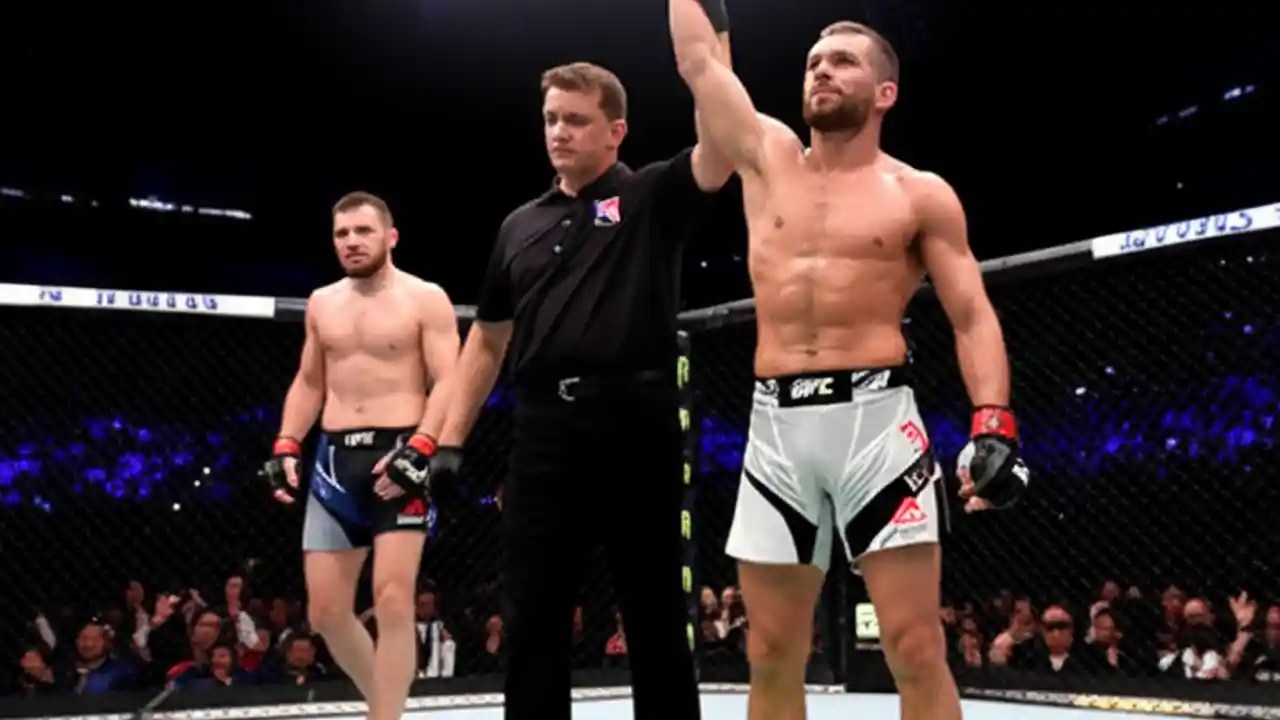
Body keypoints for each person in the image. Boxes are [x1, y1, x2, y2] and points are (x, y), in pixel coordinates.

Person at [668, 4, 1032, 720]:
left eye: (842, 61)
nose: (822, 71)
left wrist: (993, 421)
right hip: (775, 427)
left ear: (885, 92)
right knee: (770, 653)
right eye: (813, 62)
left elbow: (971, 315)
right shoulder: (765, 156)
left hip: (876, 424)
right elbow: (700, 63)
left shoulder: (920, 193)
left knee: (915, 646)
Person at [436, 57, 735, 719]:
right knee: (532, 612)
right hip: (543, 429)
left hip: (638, 420)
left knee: (654, 608)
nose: (559, 132)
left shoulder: (651, 197)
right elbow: (487, 338)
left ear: (615, 130)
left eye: (576, 119)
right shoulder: (518, 225)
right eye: (550, 119)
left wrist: (703, 51)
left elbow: (721, 145)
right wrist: (449, 439)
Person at [258, 191, 461, 720]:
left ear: (390, 237)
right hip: (332, 458)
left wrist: (422, 446)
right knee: (326, 613)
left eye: (363, 231)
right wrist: (286, 441)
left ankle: (384, 716)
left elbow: (450, 382)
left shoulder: (425, 298)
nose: (351, 242)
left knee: (394, 601)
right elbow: (308, 381)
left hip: (400, 454)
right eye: (342, 233)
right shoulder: (323, 302)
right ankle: (387, 701)